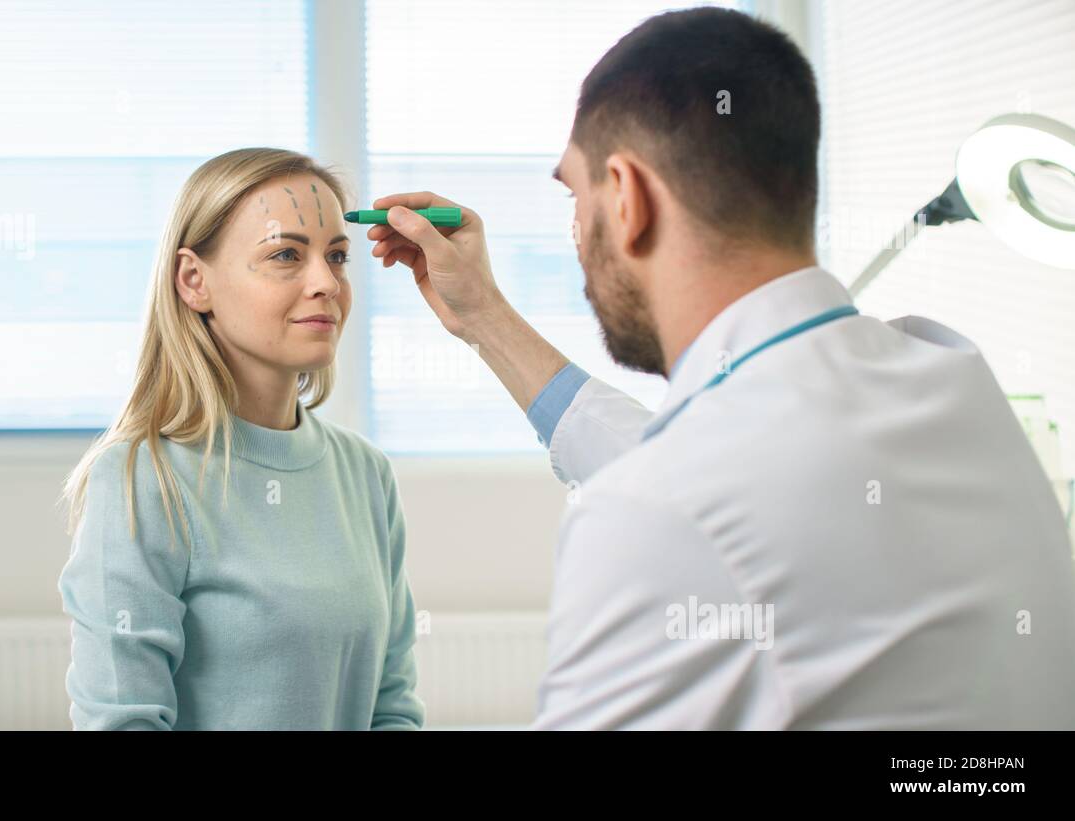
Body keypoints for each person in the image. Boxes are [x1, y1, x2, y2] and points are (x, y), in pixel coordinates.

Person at [364, 8, 1075, 728]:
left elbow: (690, 503)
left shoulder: (664, 509)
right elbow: (718, 484)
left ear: (629, 195)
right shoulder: (951, 372)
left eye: (574, 198)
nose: (576, 236)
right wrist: (485, 316)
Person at [57, 148, 425, 730]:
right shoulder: (140, 480)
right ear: (194, 280)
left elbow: (393, 706)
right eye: (285, 255)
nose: (326, 283)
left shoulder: (365, 473)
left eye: (336, 256)